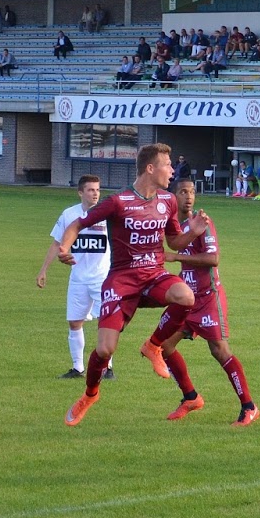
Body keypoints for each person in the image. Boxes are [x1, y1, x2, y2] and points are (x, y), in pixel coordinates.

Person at [57, 143, 208, 426]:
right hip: (122, 280)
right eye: (167, 165)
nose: (172, 170)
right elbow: (77, 224)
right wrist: (64, 248)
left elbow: (174, 242)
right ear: (150, 168)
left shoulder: (168, 201)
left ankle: (153, 346)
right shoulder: (118, 202)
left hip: (153, 275)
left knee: (186, 296)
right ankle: (89, 395)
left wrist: (193, 232)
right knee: (105, 350)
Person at [137, 177, 260, 425]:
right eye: (183, 192)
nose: (189, 196)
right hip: (186, 298)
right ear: (173, 197)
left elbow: (213, 259)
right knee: (164, 345)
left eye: (192, 192)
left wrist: (174, 257)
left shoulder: (202, 222)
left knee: (219, 350)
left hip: (208, 297)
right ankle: (190, 397)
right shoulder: (173, 225)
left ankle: (249, 406)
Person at [36, 175, 113, 379]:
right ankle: (78, 368)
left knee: (106, 323)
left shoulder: (107, 215)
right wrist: (44, 270)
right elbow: (57, 243)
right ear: (80, 192)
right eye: (90, 190)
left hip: (103, 278)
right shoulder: (69, 214)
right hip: (78, 278)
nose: (95, 194)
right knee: (74, 322)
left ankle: (107, 368)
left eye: (98, 190)